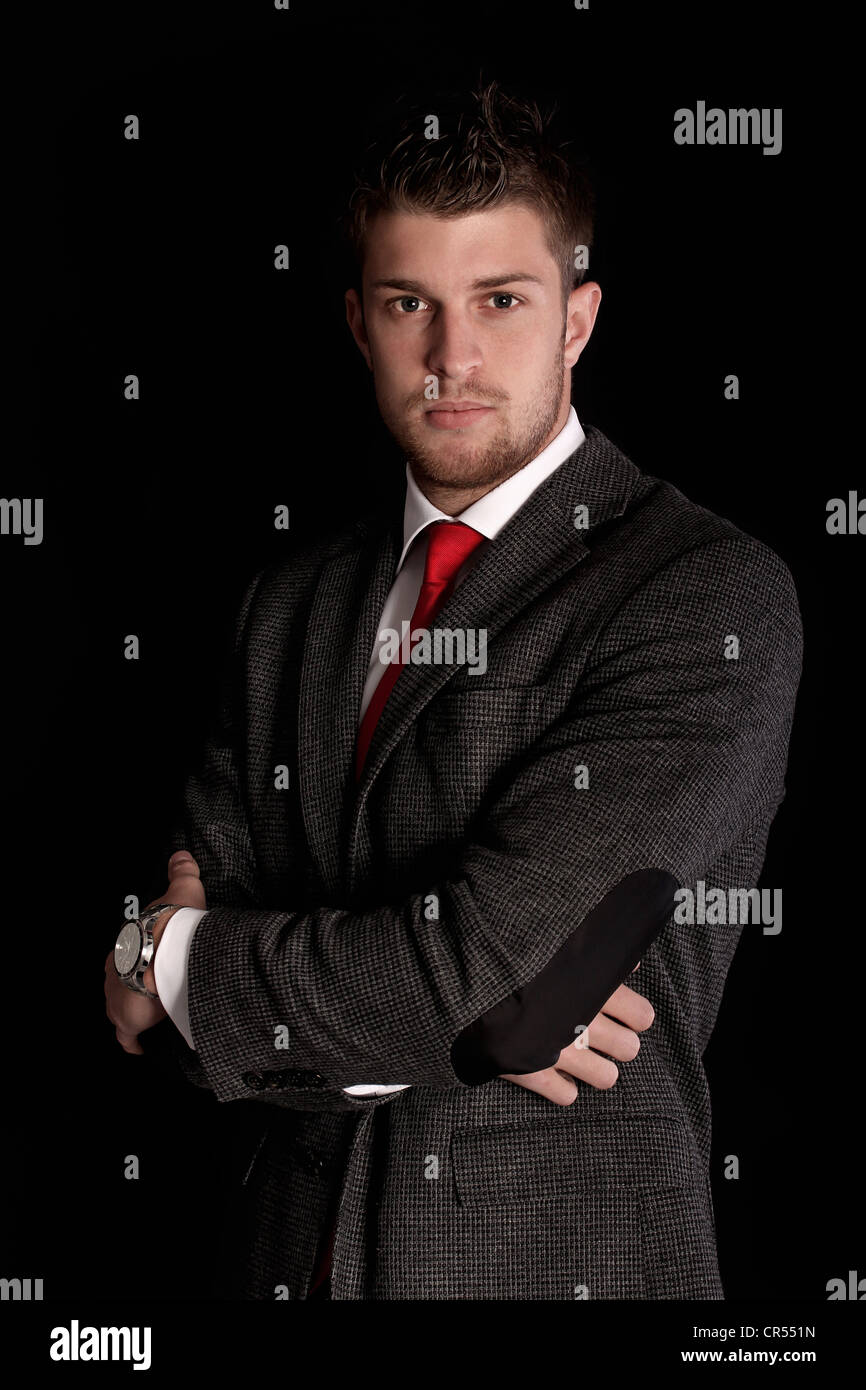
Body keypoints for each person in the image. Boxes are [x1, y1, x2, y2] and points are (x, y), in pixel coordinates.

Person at [104, 79, 803, 1300]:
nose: (453, 356)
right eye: (407, 305)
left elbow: (482, 988)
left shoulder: (704, 594)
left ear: (577, 318)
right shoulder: (288, 604)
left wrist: (168, 952)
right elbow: (179, 1040)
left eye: (500, 300)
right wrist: (435, 1017)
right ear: (356, 321)